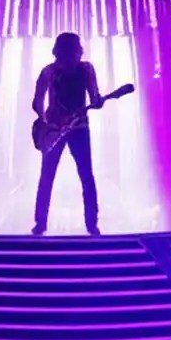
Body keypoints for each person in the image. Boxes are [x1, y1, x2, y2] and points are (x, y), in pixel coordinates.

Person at [31, 32, 104, 236]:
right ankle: (40, 223)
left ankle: (91, 224)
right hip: (54, 130)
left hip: (79, 128)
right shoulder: (49, 72)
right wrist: (45, 124)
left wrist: (98, 101)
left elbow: (94, 95)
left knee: (85, 175)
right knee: (48, 176)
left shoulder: (86, 69)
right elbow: (37, 101)